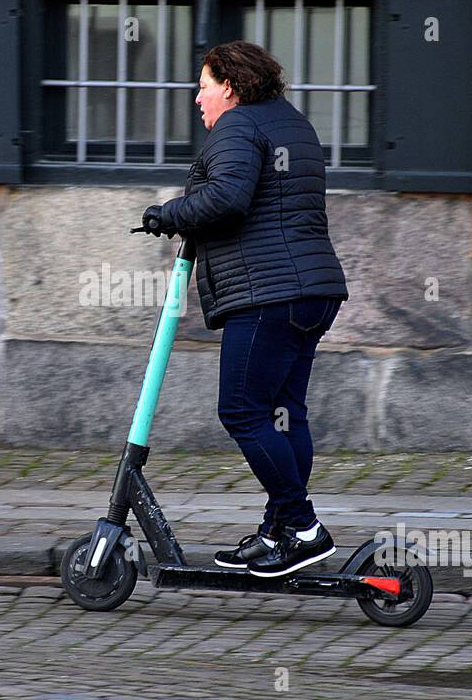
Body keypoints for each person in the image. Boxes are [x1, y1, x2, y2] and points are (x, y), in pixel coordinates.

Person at [141, 41, 349, 578]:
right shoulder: (292, 124)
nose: (197, 97)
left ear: (229, 86)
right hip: (312, 292)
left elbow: (228, 198)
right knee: (285, 413)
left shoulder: (237, 126)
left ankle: (302, 528)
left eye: (204, 85)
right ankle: (280, 531)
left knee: (240, 410)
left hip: (267, 295)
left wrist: (167, 214)